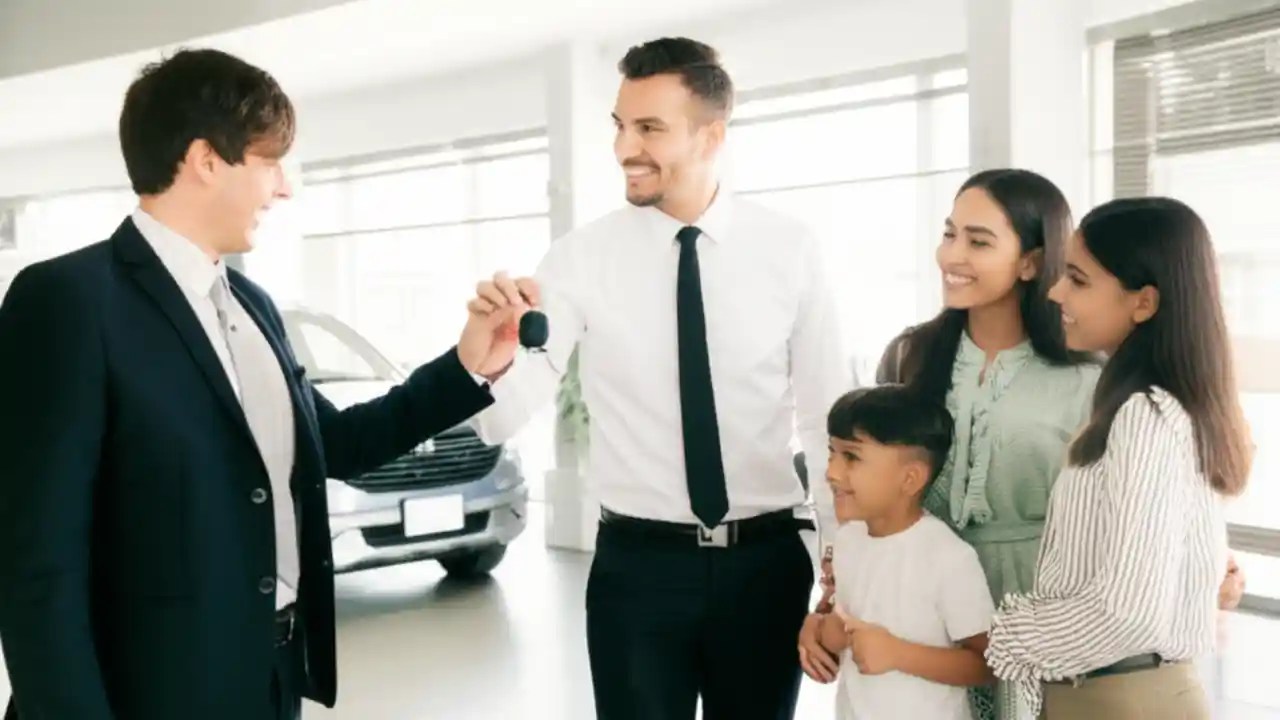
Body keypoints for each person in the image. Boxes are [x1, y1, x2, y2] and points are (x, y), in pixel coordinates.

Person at [0, 49, 513, 720]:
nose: (284, 187)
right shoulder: (67, 300)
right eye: (269, 161)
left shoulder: (253, 305)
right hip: (145, 694)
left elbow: (340, 442)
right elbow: (38, 562)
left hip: (269, 678)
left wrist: (467, 364)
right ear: (206, 160)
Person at [464, 37, 848, 719]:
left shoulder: (790, 250)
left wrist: (841, 561)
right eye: (619, 125)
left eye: (649, 128)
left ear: (711, 135)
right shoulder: (580, 258)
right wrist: (489, 365)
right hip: (636, 572)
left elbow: (824, 416)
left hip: (763, 566)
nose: (623, 148)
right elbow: (504, 412)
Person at [800, 169, 1098, 720]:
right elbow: (872, 500)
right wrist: (826, 609)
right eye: (949, 233)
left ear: (1031, 261)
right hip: (916, 610)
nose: (950, 255)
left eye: (978, 241)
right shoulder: (908, 357)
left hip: (1038, 612)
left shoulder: (1087, 378)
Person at [985, 197, 1253, 718]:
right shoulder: (1162, 410)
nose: (1057, 292)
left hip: (1119, 697)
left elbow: (1129, 613)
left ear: (1144, 303)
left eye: (1079, 281)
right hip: (1113, 691)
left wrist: (1012, 634)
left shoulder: (1145, 417)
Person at [817, 385, 994, 719]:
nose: (832, 472)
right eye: (832, 454)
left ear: (910, 479)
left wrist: (898, 654)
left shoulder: (948, 558)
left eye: (851, 457)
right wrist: (827, 628)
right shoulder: (848, 541)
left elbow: (987, 665)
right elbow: (846, 617)